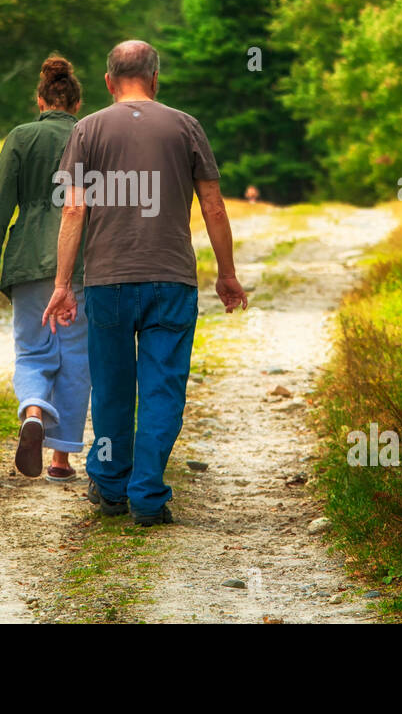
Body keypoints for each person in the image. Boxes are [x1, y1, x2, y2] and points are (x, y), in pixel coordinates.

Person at [42, 39, 247, 526]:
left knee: (112, 387)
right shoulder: (185, 126)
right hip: (172, 280)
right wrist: (226, 274)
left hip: (108, 282)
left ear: (109, 82)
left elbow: (74, 208)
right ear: (156, 79)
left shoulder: (87, 130)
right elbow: (213, 206)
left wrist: (63, 284)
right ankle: (148, 497)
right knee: (163, 390)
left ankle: (111, 487)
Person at [0, 55, 90, 481]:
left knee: (32, 350)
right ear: (77, 104)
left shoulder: (21, 137)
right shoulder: (91, 134)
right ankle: (61, 460)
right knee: (76, 356)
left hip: (27, 258)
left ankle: (32, 411)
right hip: (81, 259)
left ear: (39, 99)